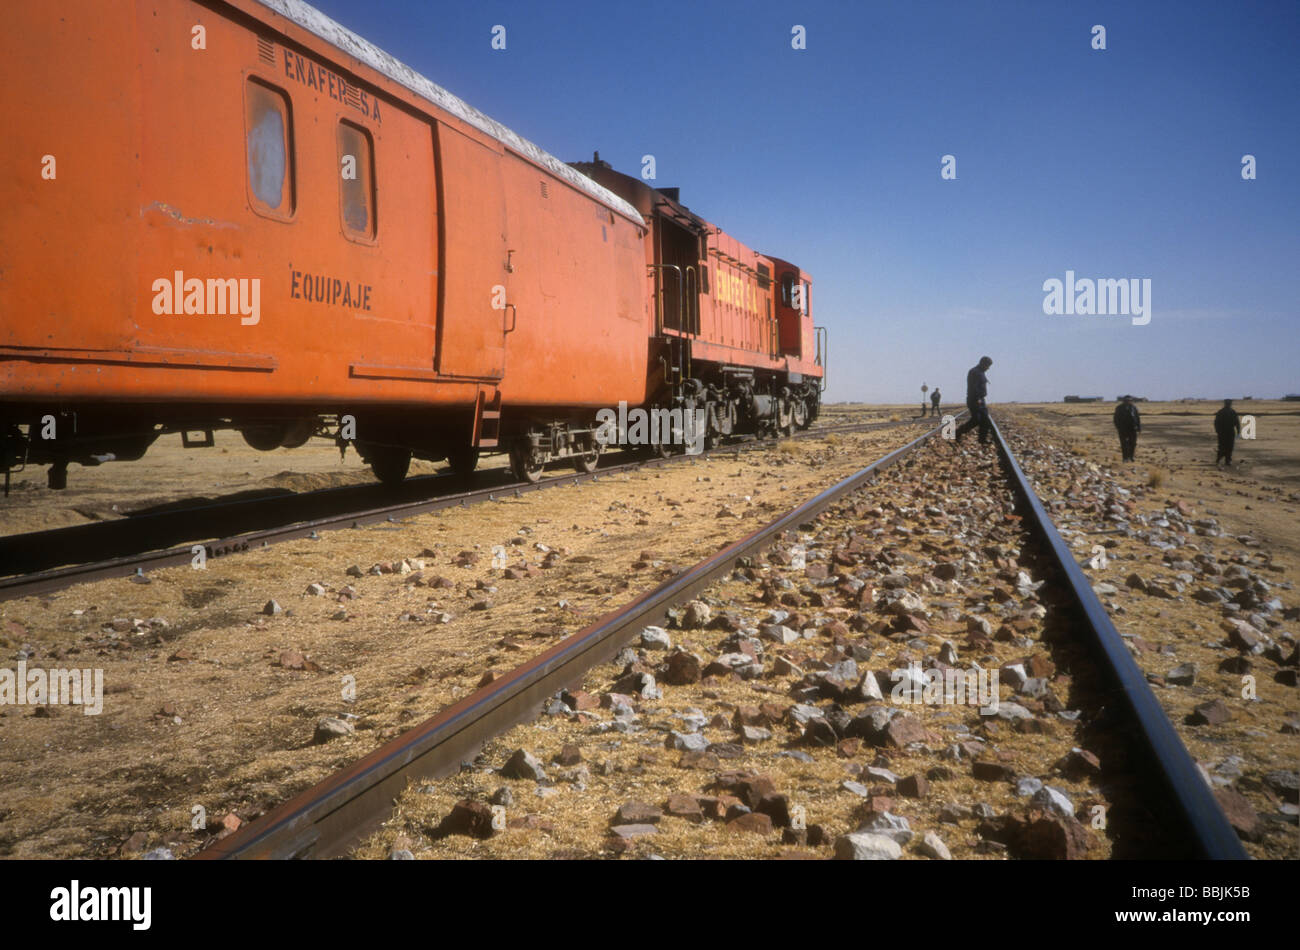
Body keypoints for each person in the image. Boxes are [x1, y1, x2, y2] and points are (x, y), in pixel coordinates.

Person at [953, 356, 993, 444]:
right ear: (983, 364)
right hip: (974, 399)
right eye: (988, 366)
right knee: (976, 420)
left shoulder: (981, 372)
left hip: (980, 399)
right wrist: (978, 398)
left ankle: (982, 440)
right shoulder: (974, 372)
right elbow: (973, 387)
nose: (988, 368)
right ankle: (958, 432)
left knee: (985, 420)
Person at [1113, 395, 1141, 462]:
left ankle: (1131, 457)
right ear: (1124, 401)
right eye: (1127, 400)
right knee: (1124, 444)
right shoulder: (1119, 408)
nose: (1128, 401)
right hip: (1123, 429)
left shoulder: (1134, 408)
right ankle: (1125, 458)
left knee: (1133, 443)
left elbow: (1137, 418)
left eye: (1130, 400)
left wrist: (1139, 427)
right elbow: (1115, 419)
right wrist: (1118, 427)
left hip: (1132, 428)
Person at [1214, 399, 1241, 467]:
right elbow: (1237, 422)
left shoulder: (1226, 411)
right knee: (1225, 446)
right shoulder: (1228, 412)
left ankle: (1225, 460)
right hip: (1225, 431)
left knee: (1226, 446)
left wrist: (1238, 431)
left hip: (1226, 431)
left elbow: (1237, 422)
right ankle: (1224, 460)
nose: (1229, 404)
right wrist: (1238, 431)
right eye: (1228, 403)